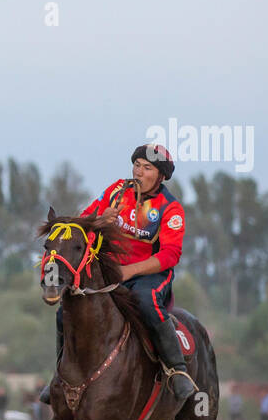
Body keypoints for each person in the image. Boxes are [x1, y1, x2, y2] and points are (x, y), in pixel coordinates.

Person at [39, 144, 194, 405]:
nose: (139, 172)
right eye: (136, 165)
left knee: (146, 304)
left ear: (161, 176)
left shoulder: (170, 209)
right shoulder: (116, 192)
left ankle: (177, 369)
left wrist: (130, 271)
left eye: (147, 168)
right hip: (110, 270)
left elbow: (170, 255)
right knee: (65, 310)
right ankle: (59, 377)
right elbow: (83, 221)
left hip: (150, 276)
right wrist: (100, 220)